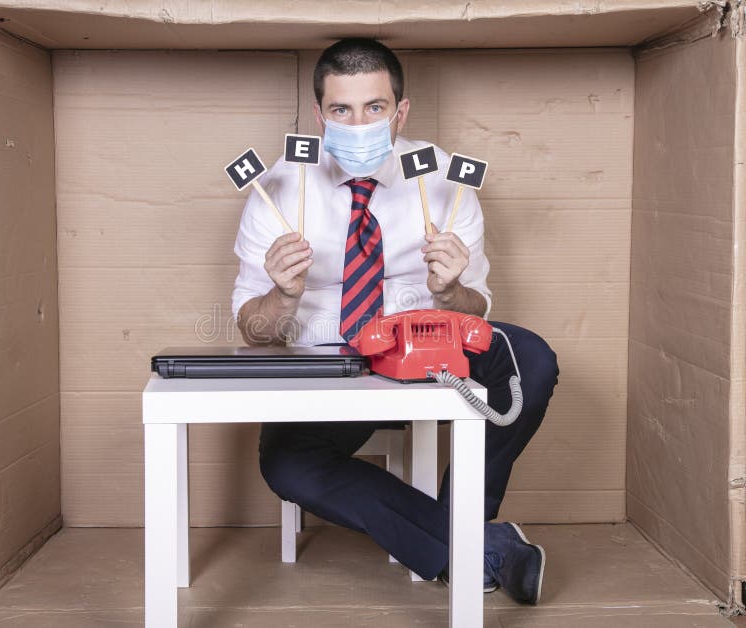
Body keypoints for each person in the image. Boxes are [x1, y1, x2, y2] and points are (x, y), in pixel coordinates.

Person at [232, 38, 559, 605]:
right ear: (319, 116)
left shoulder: (444, 185)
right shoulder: (281, 189)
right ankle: (481, 549)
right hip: (331, 365)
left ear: (400, 112)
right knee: (287, 464)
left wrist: (451, 290)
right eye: (341, 110)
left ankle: (460, 531)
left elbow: (479, 308)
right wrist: (283, 297)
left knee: (528, 360)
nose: (357, 124)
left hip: (429, 353)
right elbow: (252, 328)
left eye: (375, 108)